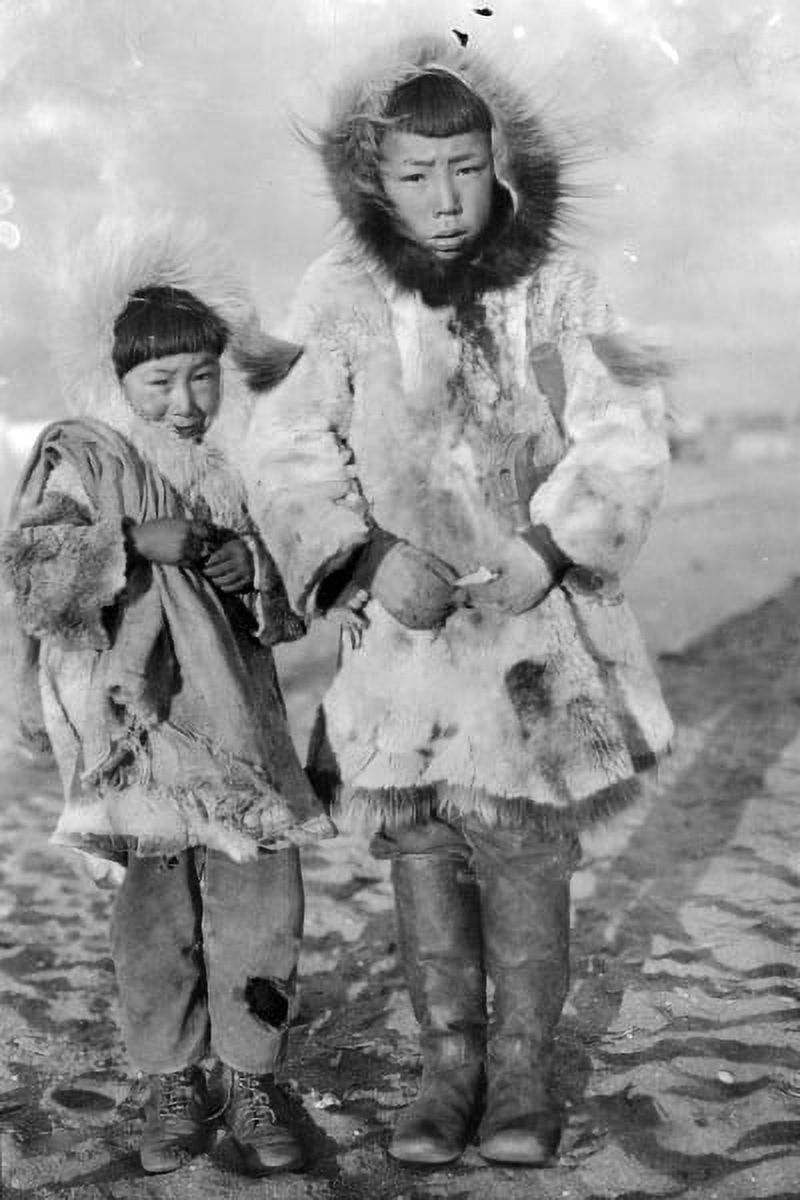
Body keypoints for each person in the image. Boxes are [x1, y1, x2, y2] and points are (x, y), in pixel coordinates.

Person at [243, 37, 674, 1169]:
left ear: (500, 163)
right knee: (422, 842)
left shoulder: (561, 284)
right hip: (400, 629)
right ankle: (449, 1071)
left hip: (531, 624)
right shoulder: (334, 293)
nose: (444, 200)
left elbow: (626, 428)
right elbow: (286, 448)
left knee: (525, 845)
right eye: (415, 174)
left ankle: (522, 1079)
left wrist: (552, 543)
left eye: (464, 168)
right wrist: (363, 556)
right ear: (373, 181)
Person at [0, 219, 336, 1177]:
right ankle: (171, 1076)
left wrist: (252, 570)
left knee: (264, 900)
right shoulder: (84, 461)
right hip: (135, 737)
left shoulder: (234, 473)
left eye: (202, 377)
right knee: (154, 917)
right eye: (161, 383)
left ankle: (256, 1076)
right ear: (120, 385)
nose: (186, 402)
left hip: (235, 729)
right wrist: (131, 545)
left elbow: (287, 606)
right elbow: (29, 575)